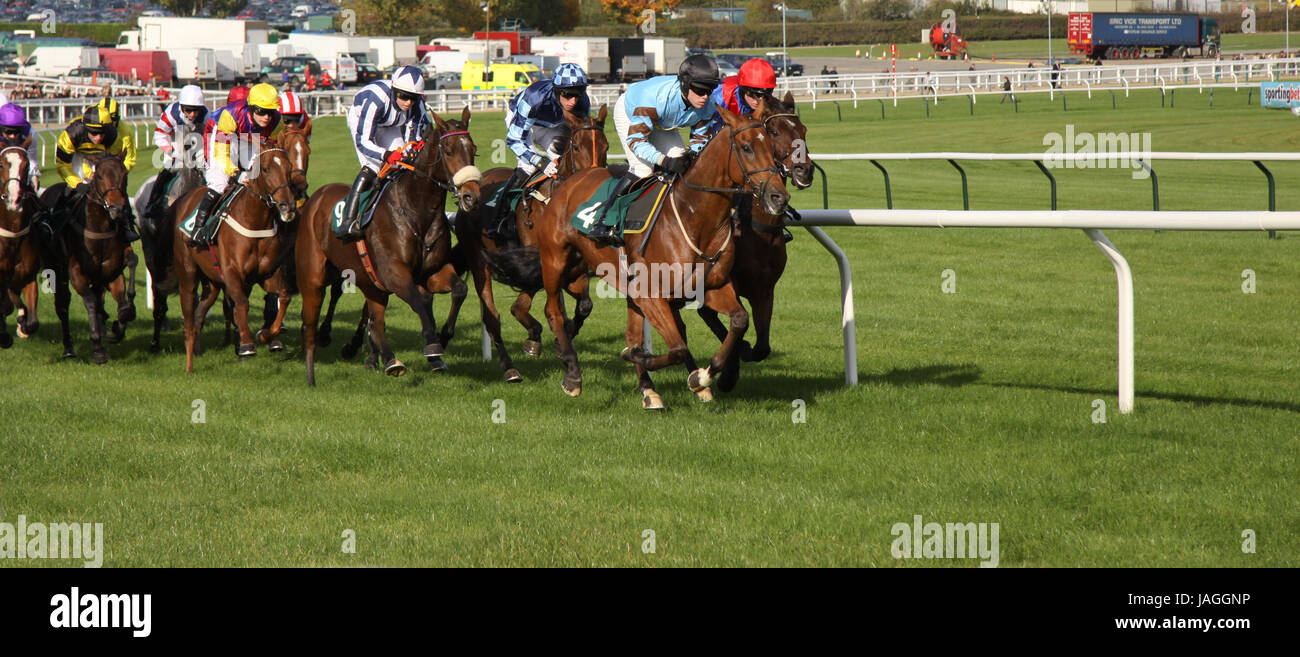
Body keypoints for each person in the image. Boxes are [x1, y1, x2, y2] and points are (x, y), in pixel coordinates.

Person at [601, 54, 720, 246]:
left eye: (710, 90)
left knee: (683, 164)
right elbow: (636, 141)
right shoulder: (655, 98)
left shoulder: (708, 105)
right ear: (684, 84)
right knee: (643, 169)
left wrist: (689, 158)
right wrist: (664, 161)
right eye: (699, 90)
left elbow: (699, 139)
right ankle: (606, 219)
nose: (705, 96)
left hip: (663, 123)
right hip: (631, 111)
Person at [488, 63, 591, 240]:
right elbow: (513, 140)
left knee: (564, 162)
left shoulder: (583, 102)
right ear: (557, 90)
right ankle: (499, 219)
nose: (573, 101)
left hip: (553, 127)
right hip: (523, 124)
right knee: (528, 167)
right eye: (567, 95)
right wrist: (539, 161)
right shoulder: (535, 98)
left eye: (578, 93)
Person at [335, 65, 429, 242]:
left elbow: (414, 137)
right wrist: (386, 155)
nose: (408, 103)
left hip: (390, 123)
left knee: (402, 165)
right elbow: (363, 142)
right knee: (374, 166)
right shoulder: (375, 99)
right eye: (403, 96)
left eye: (413, 98)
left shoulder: (417, 105)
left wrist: (409, 152)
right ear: (394, 89)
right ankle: (348, 221)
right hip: (363, 120)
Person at [189, 83, 285, 248]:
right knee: (220, 183)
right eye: (261, 111)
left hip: (249, 137)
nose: (267, 117)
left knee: (262, 176)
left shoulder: (277, 122)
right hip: (222, 137)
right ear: (251, 108)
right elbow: (221, 151)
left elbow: (272, 151)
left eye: (270, 112)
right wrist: (234, 172)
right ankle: (198, 228)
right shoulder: (231, 115)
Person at [51, 97, 139, 241]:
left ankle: (126, 227)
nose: (98, 138)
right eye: (94, 133)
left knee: (116, 192)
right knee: (68, 192)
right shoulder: (71, 135)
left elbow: (109, 161)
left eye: (101, 133)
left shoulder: (112, 133)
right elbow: (62, 165)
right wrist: (78, 183)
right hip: (77, 157)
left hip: (99, 160)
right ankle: (54, 225)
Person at [145, 84, 208, 220]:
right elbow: (160, 135)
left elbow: (211, 136)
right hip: (175, 143)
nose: (193, 115)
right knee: (169, 169)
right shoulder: (171, 114)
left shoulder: (206, 114)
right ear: (181, 106)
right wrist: (172, 150)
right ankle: (152, 204)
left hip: (198, 145)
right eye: (189, 110)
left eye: (196, 110)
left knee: (209, 170)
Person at [708, 57, 775, 135]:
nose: (759, 100)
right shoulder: (719, 96)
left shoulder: (770, 102)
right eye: (754, 95)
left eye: (765, 96)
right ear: (743, 90)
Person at [0, 102, 40, 192]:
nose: (13, 136)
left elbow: (32, 159)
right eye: (8, 132)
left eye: (17, 132)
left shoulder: (30, 133)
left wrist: (34, 175)